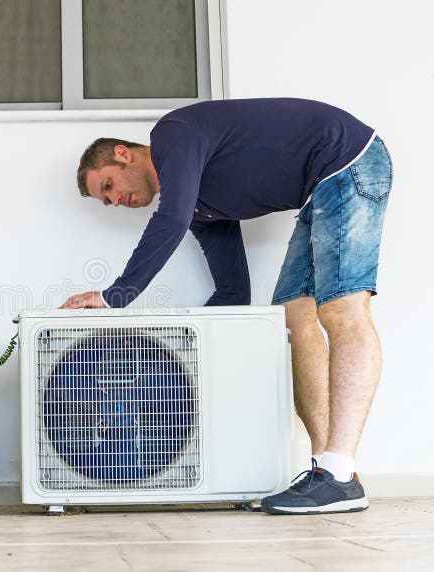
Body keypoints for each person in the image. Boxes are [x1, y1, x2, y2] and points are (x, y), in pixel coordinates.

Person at [60, 97, 392, 515]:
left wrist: (116, 296)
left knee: (342, 309)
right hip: (318, 193)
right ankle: (328, 471)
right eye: (105, 201)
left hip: (348, 162)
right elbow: (233, 291)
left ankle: (339, 474)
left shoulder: (172, 133)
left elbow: (170, 218)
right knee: (293, 315)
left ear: (123, 154)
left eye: (108, 185)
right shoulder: (201, 208)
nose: (114, 200)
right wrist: (181, 360)